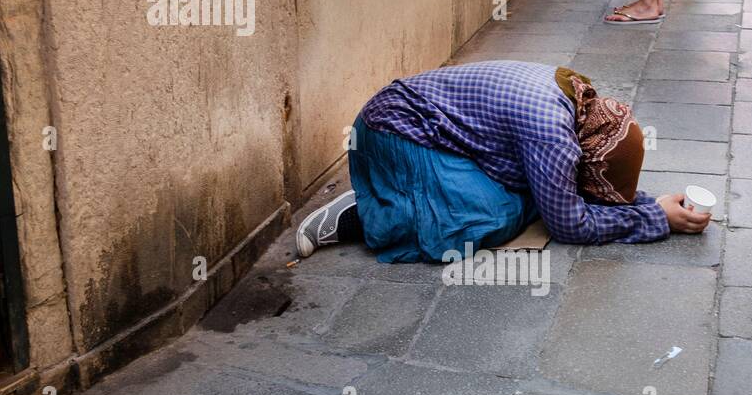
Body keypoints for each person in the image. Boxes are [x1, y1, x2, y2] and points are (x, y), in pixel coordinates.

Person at [295, 61, 708, 262]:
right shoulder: (555, 136)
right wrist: (654, 220)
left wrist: (645, 201)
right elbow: (571, 225)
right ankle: (365, 212)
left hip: (423, 129)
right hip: (393, 132)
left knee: (532, 195)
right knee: (488, 218)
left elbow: (587, 181)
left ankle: (397, 191)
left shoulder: (580, 104)